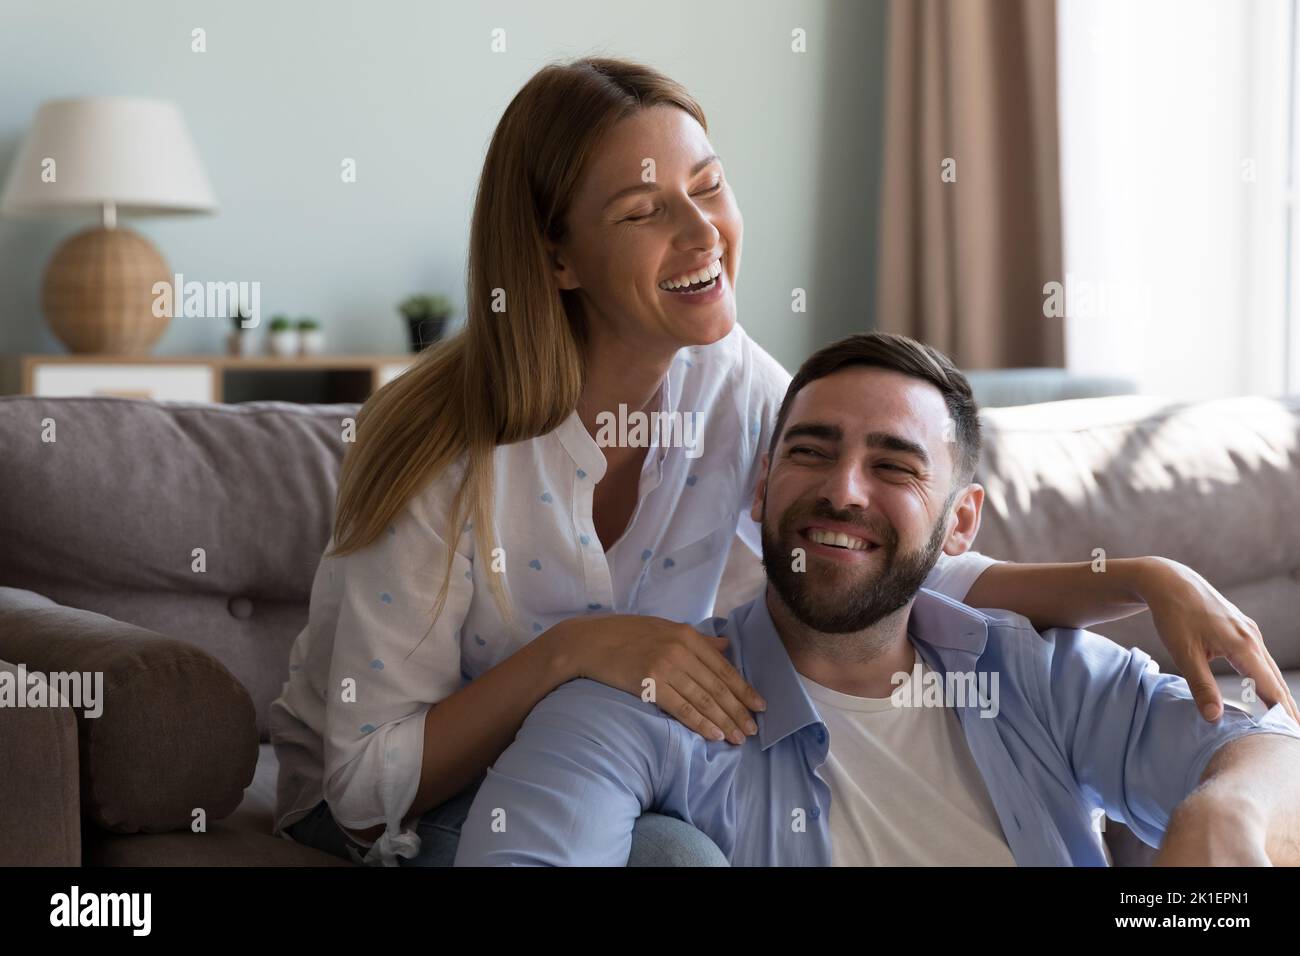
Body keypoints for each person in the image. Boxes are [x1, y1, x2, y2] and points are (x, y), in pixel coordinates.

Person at [269, 57, 1298, 867]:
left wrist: (1134, 577)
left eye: (708, 187)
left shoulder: (734, 386)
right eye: (641, 211)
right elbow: (364, 781)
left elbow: (864, 546)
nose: (699, 230)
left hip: (610, 747)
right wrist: (575, 650)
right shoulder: (436, 444)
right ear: (555, 258)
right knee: (676, 855)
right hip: (389, 806)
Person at [453, 332, 1300, 866]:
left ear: (960, 522)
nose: (844, 492)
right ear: (760, 491)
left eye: (893, 465)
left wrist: (1227, 807)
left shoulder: (1037, 672)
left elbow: (1273, 746)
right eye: (811, 453)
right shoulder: (643, 702)